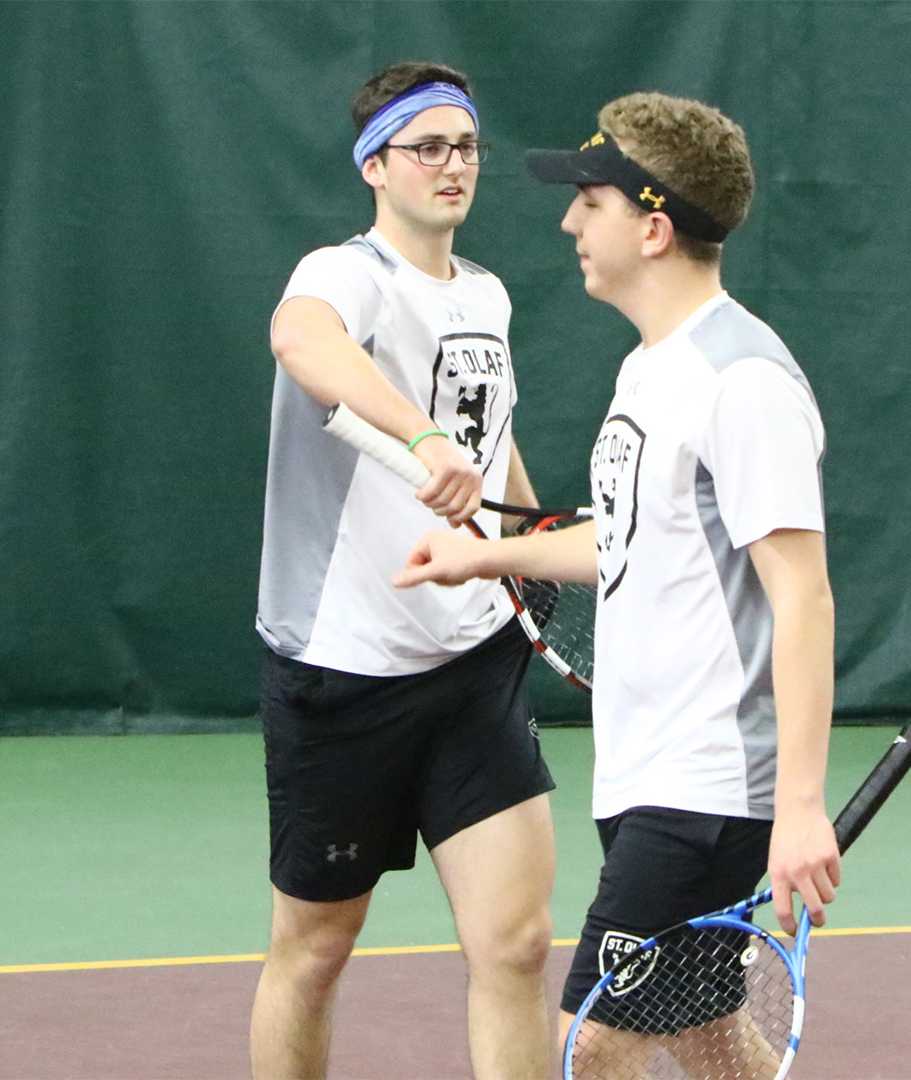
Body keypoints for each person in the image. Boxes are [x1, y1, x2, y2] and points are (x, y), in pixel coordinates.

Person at [393, 91, 840, 1066]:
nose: (569, 223)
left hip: (709, 785)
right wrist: (487, 554)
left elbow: (802, 596)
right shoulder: (650, 369)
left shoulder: (742, 383)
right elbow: (629, 543)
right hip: (644, 766)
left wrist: (801, 806)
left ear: (653, 228)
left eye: (589, 203)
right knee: (704, 1030)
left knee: (589, 1048)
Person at [249, 61, 555, 1080]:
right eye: (427, 148)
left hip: (474, 663)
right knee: (315, 949)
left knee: (516, 944)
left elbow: (490, 441)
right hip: (346, 669)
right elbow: (299, 336)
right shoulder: (347, 277)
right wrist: (422, 439)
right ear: (375, 166)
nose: (453, 165)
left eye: (466, 147)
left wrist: (529, 538)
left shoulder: (487, 294)